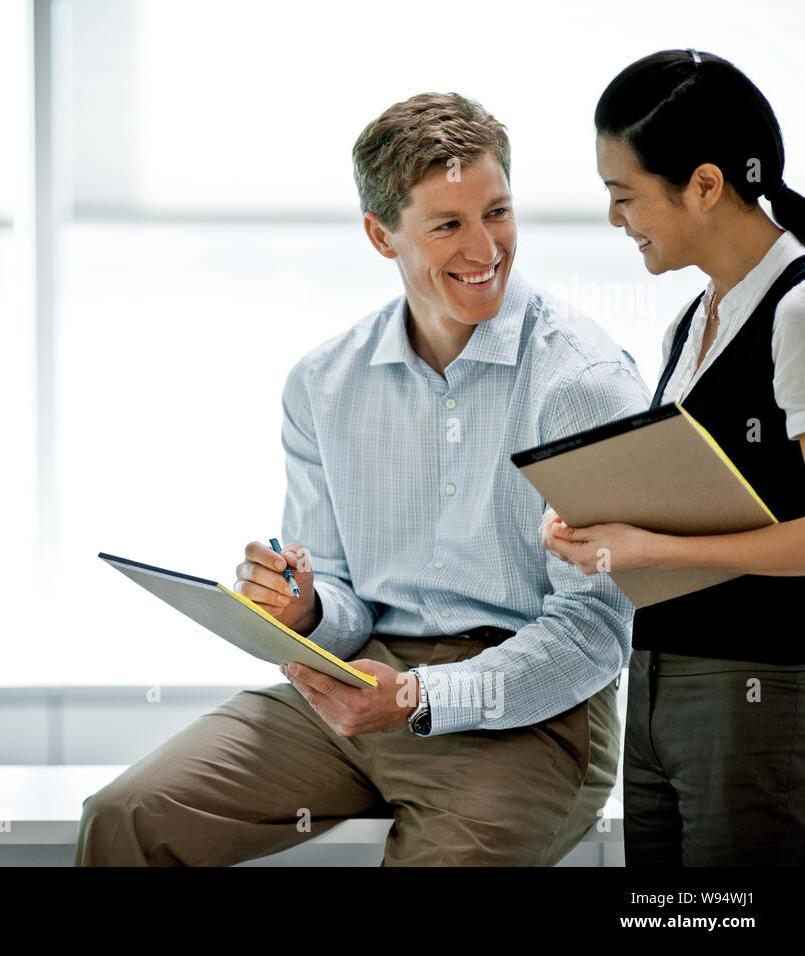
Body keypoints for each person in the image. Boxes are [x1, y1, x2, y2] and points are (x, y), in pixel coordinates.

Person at [75, 92, 652, 866]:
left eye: (498, 213)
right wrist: (307, 607)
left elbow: (594, 634)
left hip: (530, 715)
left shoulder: (582, 382)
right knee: (125, 816)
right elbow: (341, 601)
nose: (485, 248)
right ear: (382, 235)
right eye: (448, 225)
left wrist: (420, 696)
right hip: (359, 684)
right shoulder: (323, 384)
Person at [542, 49, 805, 866]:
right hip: (657, 673)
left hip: (760, 685)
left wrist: (651, 549)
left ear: (705, 184)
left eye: (625, 196)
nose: (615, 219)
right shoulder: (691, 321)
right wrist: (596, 519)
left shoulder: (799, 311)